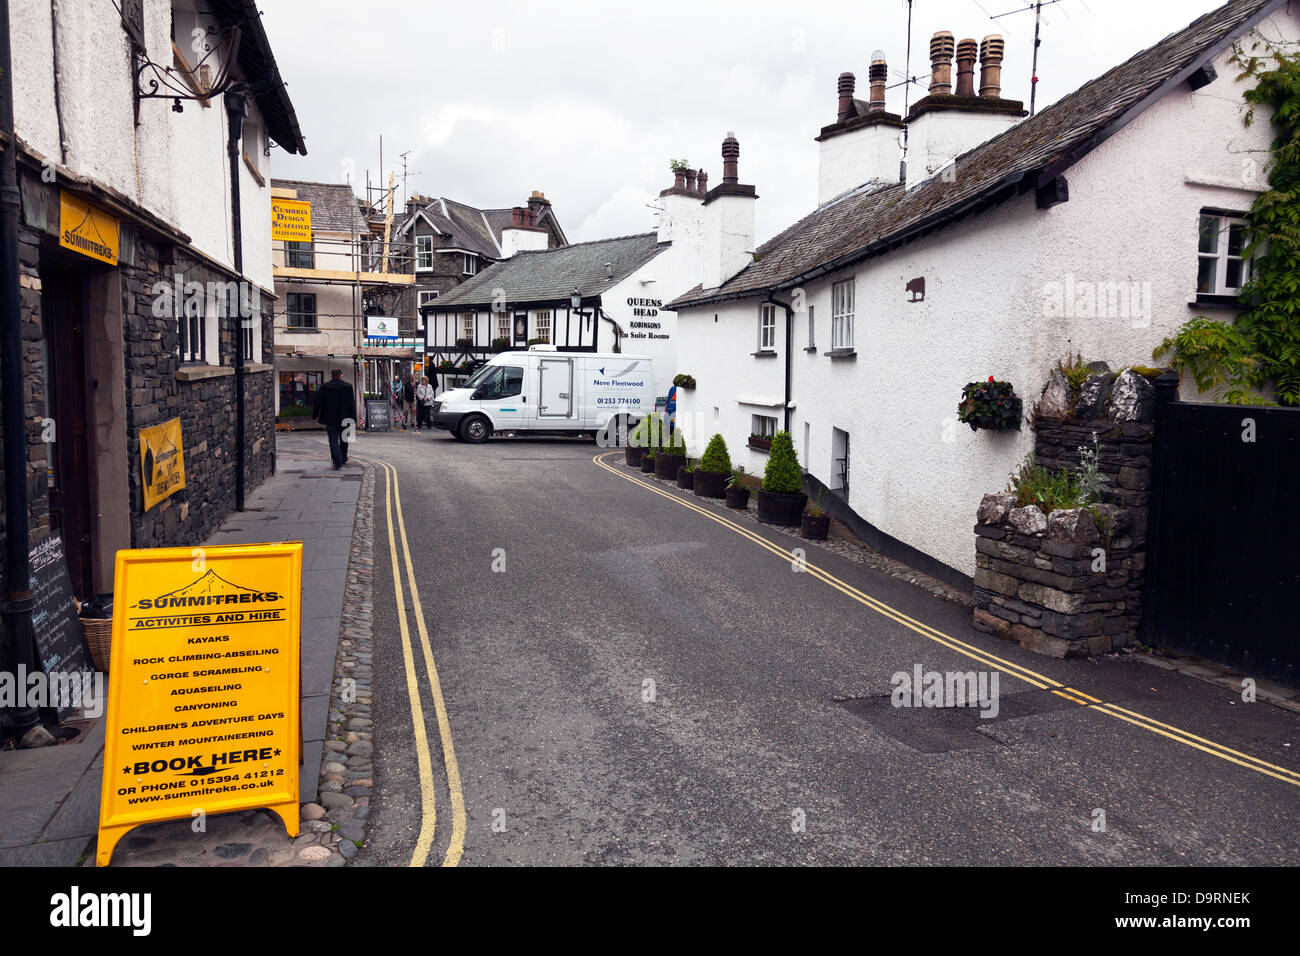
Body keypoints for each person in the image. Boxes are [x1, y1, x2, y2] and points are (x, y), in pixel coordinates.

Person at [312, 368, 355, 469]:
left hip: (330, 418)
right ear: (341, 375)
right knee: (344, 439)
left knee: (333, 441)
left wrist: (315, 414)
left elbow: (318, 402)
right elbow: (351, 403)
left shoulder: (324, 387)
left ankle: (337, 462)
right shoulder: (348, 386)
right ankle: (343, 458)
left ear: (331, 376)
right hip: (345, 418)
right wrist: (353, 418)